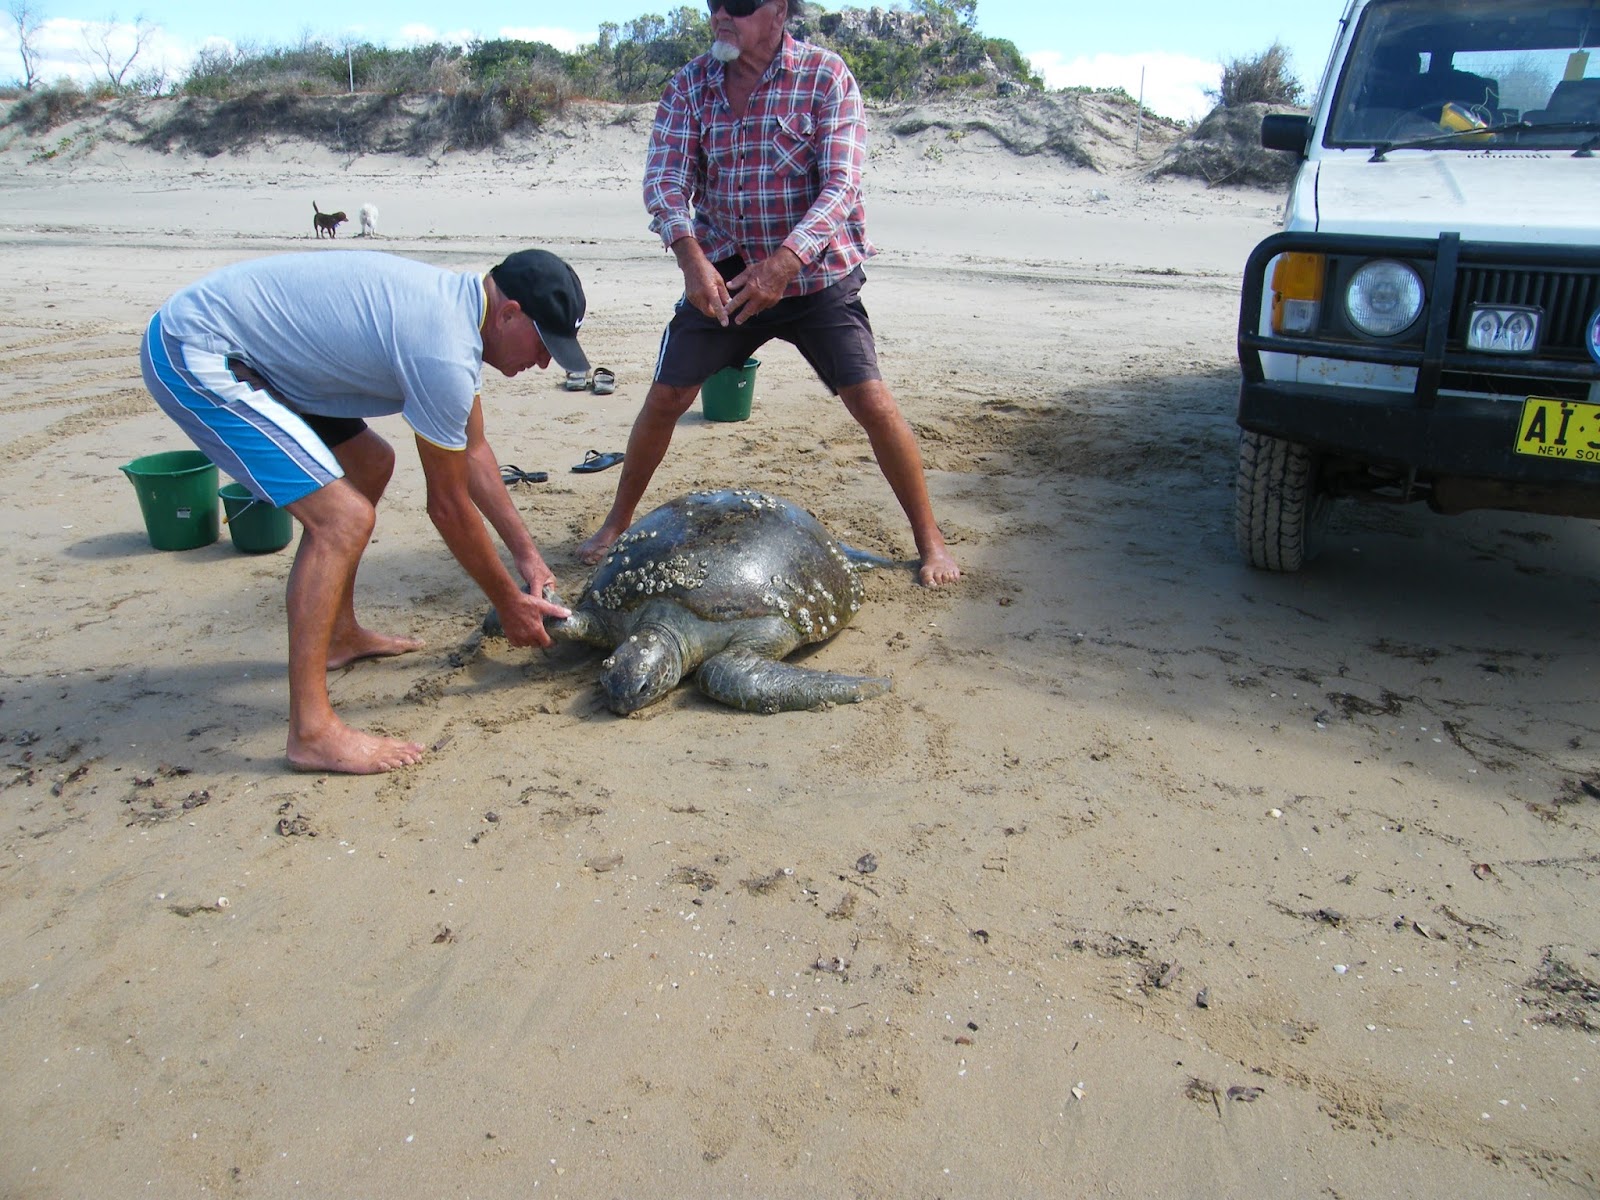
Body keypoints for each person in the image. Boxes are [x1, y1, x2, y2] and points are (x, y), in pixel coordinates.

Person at [139, 248, 587, 775]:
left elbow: (474, 452)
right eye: (544, 345)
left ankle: (339, 634)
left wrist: (528, 558)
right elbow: (446, 506)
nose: (542, 363)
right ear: (510, 312)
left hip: (267, 356)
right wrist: (508, 602)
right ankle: (310, 731)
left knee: (371, 464)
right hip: (196, 350)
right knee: (343, 520)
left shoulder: (462, 320)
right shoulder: (443, 349)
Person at [576, 0, 961, 587]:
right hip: (725, 269)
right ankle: (616, 522)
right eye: (713, 3)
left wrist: (784, 263)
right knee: (666, 397)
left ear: (779, 9)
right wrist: (690, 257)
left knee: (872, 403)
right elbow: (666, 179)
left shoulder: (825, 75)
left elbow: (842, 184)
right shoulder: (690, 84)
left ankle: (930, 541)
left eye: (738, 4)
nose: (721, 15)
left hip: (814, 274)